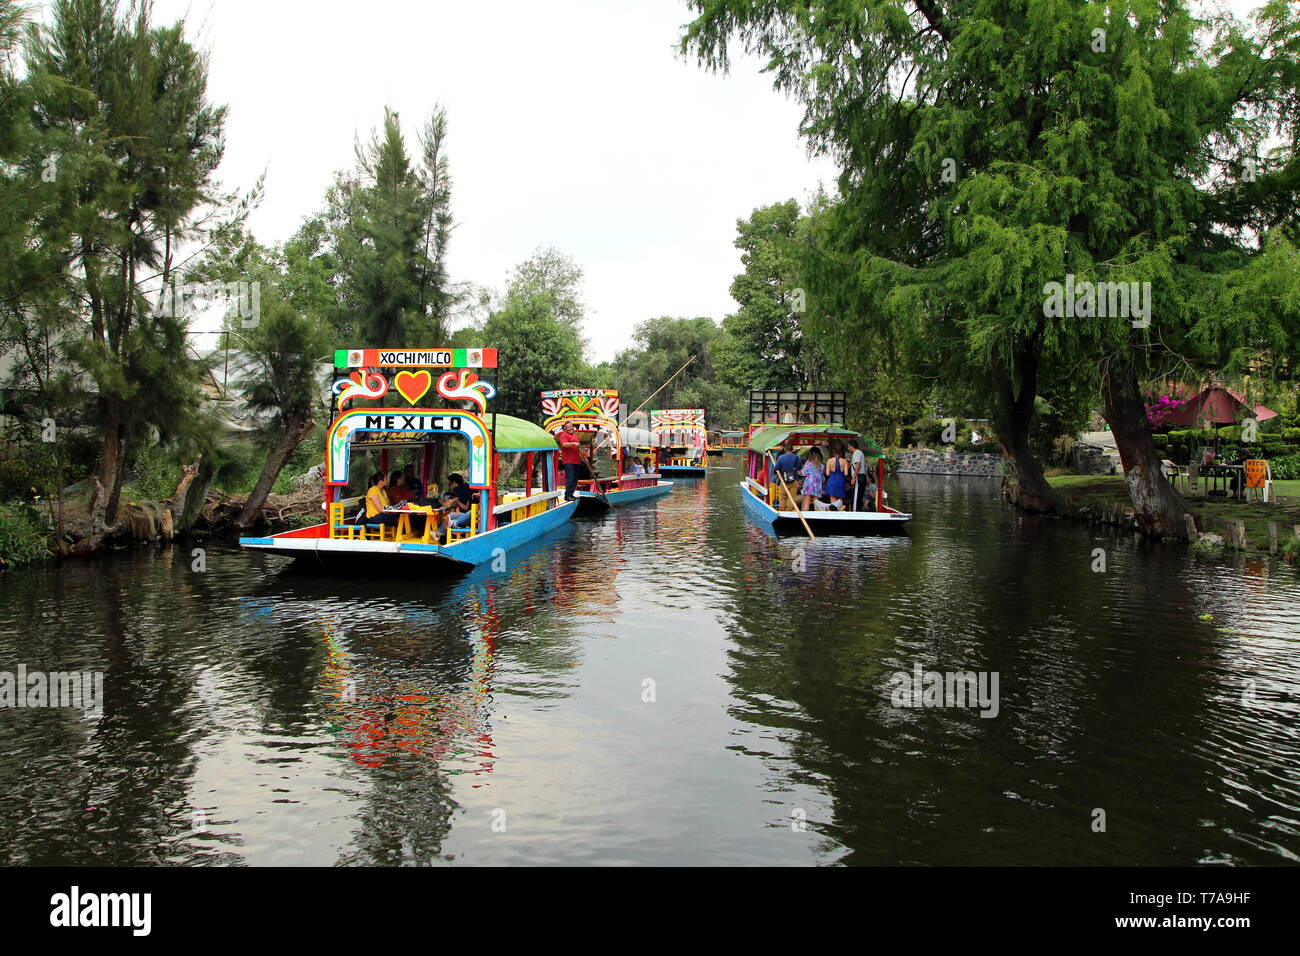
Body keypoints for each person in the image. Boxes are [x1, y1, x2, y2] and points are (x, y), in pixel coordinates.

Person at [558, 422, 582, 501]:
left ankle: (571, 494)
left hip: (577, 460)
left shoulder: (575, 436)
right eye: (568, 427)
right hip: (569, 461)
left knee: (575, 479)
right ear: (565, 428)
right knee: (570, 478)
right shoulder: (564, 435)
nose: (570, 428)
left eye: (571, 426)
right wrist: (574, 443)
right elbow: (564, 444)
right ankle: (567, 495)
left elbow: (577, 448)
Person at [824, 443, 849, 510]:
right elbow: (846, 473)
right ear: (840, 452)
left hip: (832, 481)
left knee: (833, 503)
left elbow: (827, 474)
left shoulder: (829, 461)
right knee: (840, 503)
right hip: (841, 481)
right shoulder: (844, 461)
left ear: (833, 452)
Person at [848, 439, 867, 511]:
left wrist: (853, 477)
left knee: (856, 497)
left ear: (852, 446)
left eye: (848, 446)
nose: (848, 448)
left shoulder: (856, 453)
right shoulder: (860, 453)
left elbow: (857, 465)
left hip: (858, 477)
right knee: (859, 496)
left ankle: (855, 512)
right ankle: (858, 511)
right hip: (862, 476)